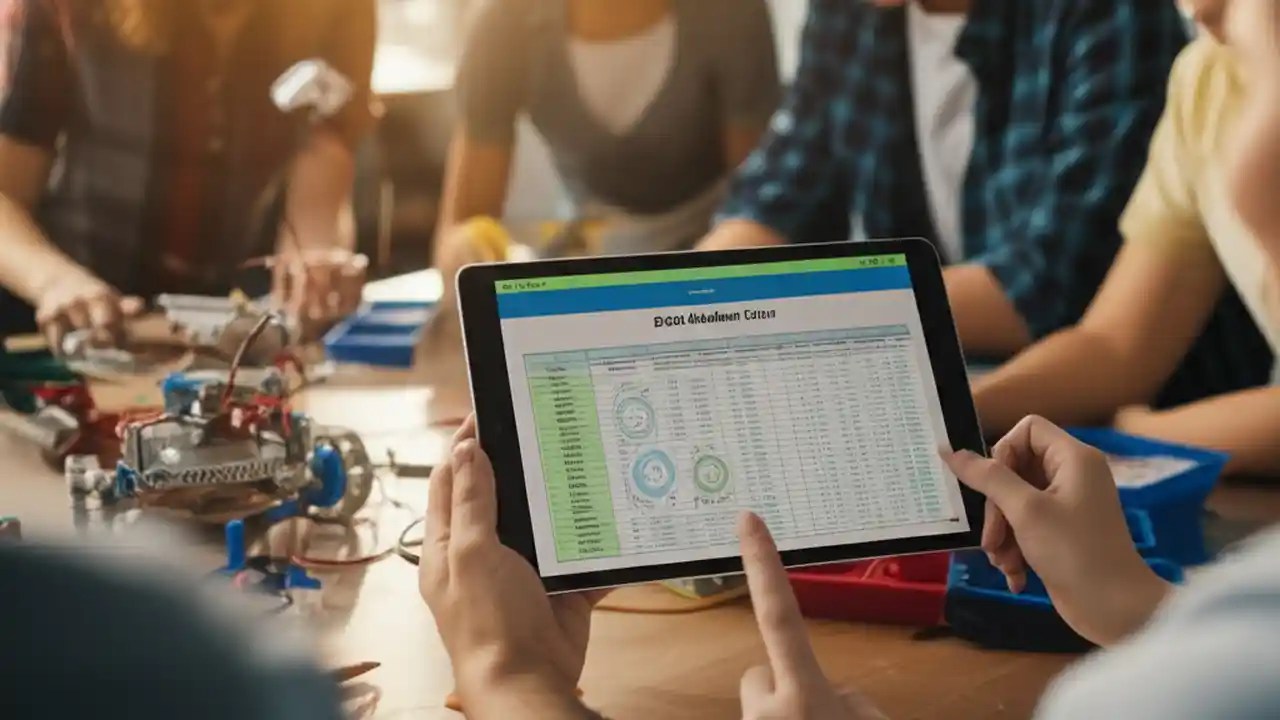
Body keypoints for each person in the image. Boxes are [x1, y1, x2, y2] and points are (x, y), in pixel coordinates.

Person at [698, 0, 1272, 413]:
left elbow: (1047, 290)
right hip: (1009, 400)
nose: (1199, 10)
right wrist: (682, 306)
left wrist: (787, 306)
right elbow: (775, 195)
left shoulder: (1108, 16)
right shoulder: (850, 15)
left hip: (1131, 426)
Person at [971, 0, 1280, 476]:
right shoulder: (1205, 82)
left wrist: (1145, 432)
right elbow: (1116, 345)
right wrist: (957, 413)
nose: (1200, 9)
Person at [0, 0, 376, 349]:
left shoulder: (338, 9)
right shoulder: (67, 8)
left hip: (221, 335)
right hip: (71, 333)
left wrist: (312, 267)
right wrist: (56, 283)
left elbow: (325, 158)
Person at [432, 0, 780, 265]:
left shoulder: (732, 13)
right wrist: (468, 252)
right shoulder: (504, 24)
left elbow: (758, 200)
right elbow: (465, 223)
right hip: (590, 255)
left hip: (714, 251)